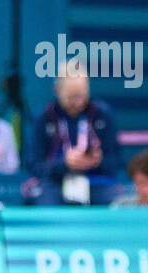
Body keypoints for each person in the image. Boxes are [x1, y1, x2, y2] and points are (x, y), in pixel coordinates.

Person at [26, 61, 121, 205]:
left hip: (96, 181)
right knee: (44, 202)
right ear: (57, 90)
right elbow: (34, 165)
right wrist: (64, 163)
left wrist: (97, 161)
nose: (77, 102)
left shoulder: (102, 115)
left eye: (81, 96)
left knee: (114, 199)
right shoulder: (43, 118)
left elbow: (117, 161)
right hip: (55, 183)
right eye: (71, 97)